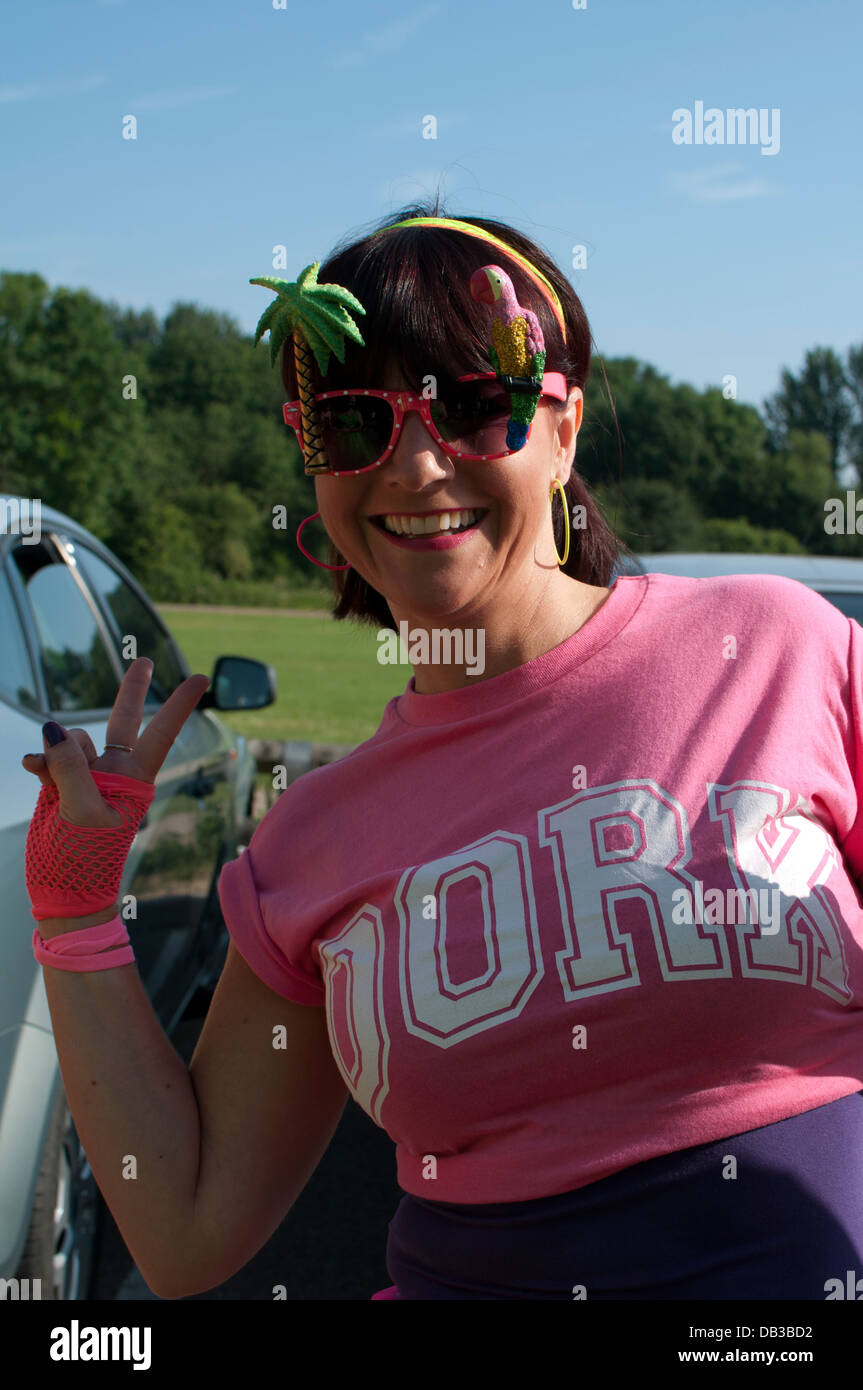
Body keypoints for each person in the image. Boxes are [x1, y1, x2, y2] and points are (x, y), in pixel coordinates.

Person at [22, 204, 863, 1302]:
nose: (414, 467)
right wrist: (75, 911)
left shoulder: (778, 647)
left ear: (561, 432)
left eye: (473, 407)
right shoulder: (310, 839)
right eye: (353, 422)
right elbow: (183, 1227)